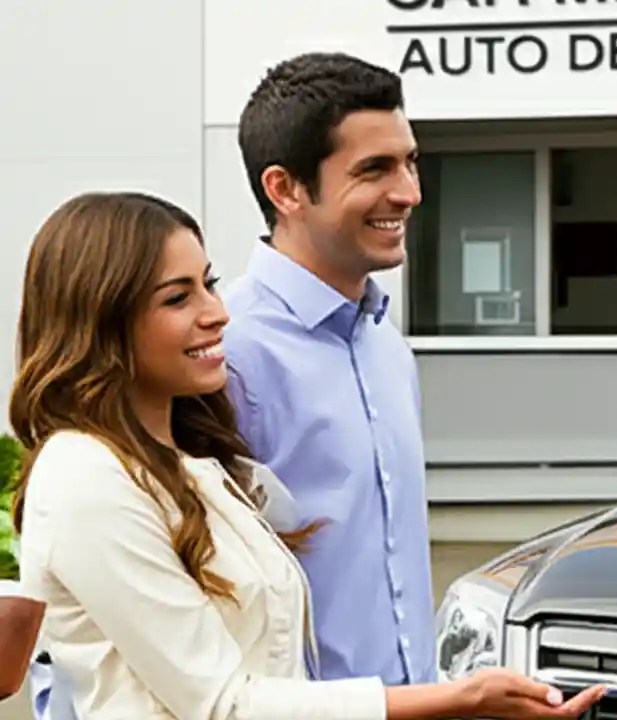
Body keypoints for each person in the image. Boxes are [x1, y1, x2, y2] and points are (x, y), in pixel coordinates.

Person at [9, 191, 606, 718]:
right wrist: (457, 698)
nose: (216, 313)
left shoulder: (198, 465)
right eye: (177, 298)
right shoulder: (84, 476)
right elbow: (223, 702)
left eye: (209, 284)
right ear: (101, 323)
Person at [222, 51, 435, 686]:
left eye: (410, 162)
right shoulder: (223, 354)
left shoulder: (388, 348)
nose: (409, 192)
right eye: (375, 169)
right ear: (284, 189)